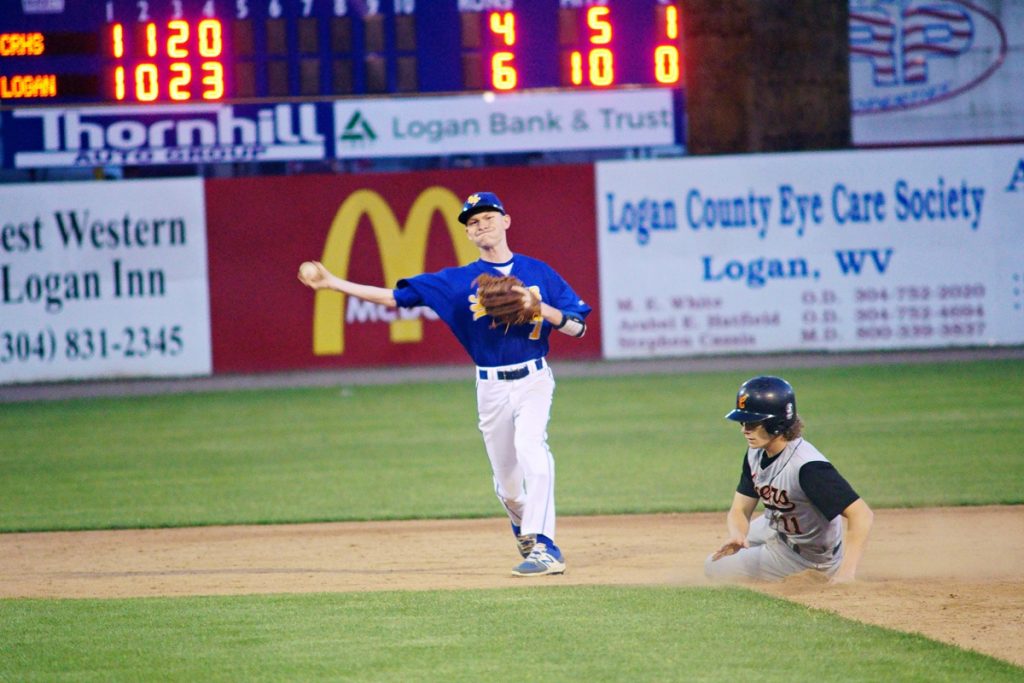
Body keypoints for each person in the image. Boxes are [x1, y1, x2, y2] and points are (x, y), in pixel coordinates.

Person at [298, 192, 591, 577]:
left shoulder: (540, 273)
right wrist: (334, 284)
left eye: (487, 217)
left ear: (506, 220)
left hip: (534, 377)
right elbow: (393, 297)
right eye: (472, 222)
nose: (480, 225)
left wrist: (540, 308)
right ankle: (522, 522)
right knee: (508, 487)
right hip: (490, 387)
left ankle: (545, 547)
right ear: (468, 235)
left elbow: (578, 327)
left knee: (532, 450)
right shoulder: (454, 282)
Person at [704, 376, 873, 583]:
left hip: (807, 557)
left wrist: (846, 574)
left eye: (752, 423)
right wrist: (739, 534)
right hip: (778, 526)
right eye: (743, 422)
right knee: (729, 551)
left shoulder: (808, 468)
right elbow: (740, 509)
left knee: (713, 566)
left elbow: (862, 514)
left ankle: (808, 572)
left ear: (776, 423)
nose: (744, 430)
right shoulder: (755, 453)